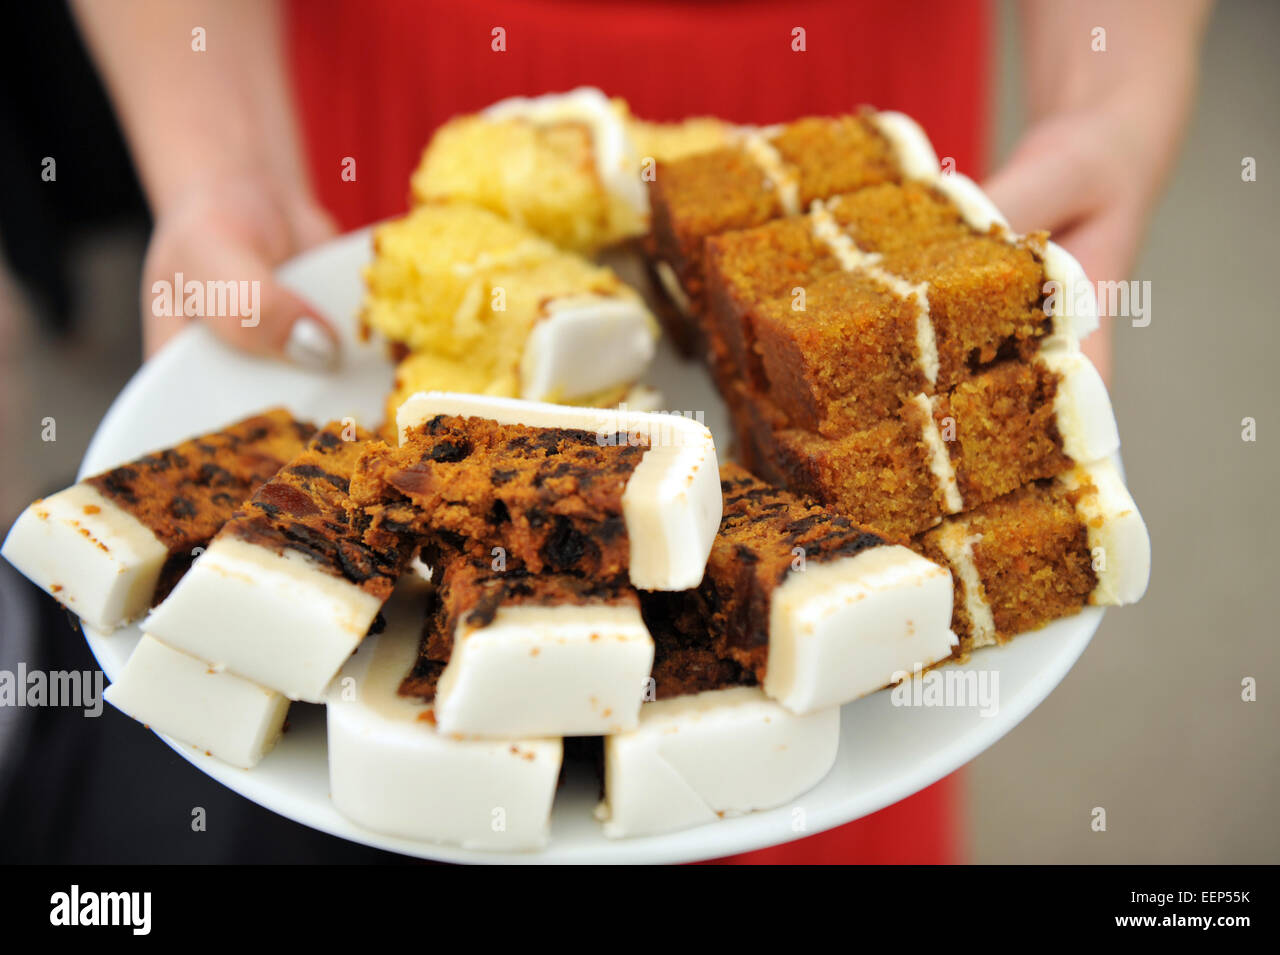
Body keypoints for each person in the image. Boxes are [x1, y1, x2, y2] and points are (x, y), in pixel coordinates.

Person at [70, 0, 1210, 864]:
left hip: (845, 115)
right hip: (414, 130)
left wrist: (1104, 113)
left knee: (837, 754)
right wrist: (220, 165)